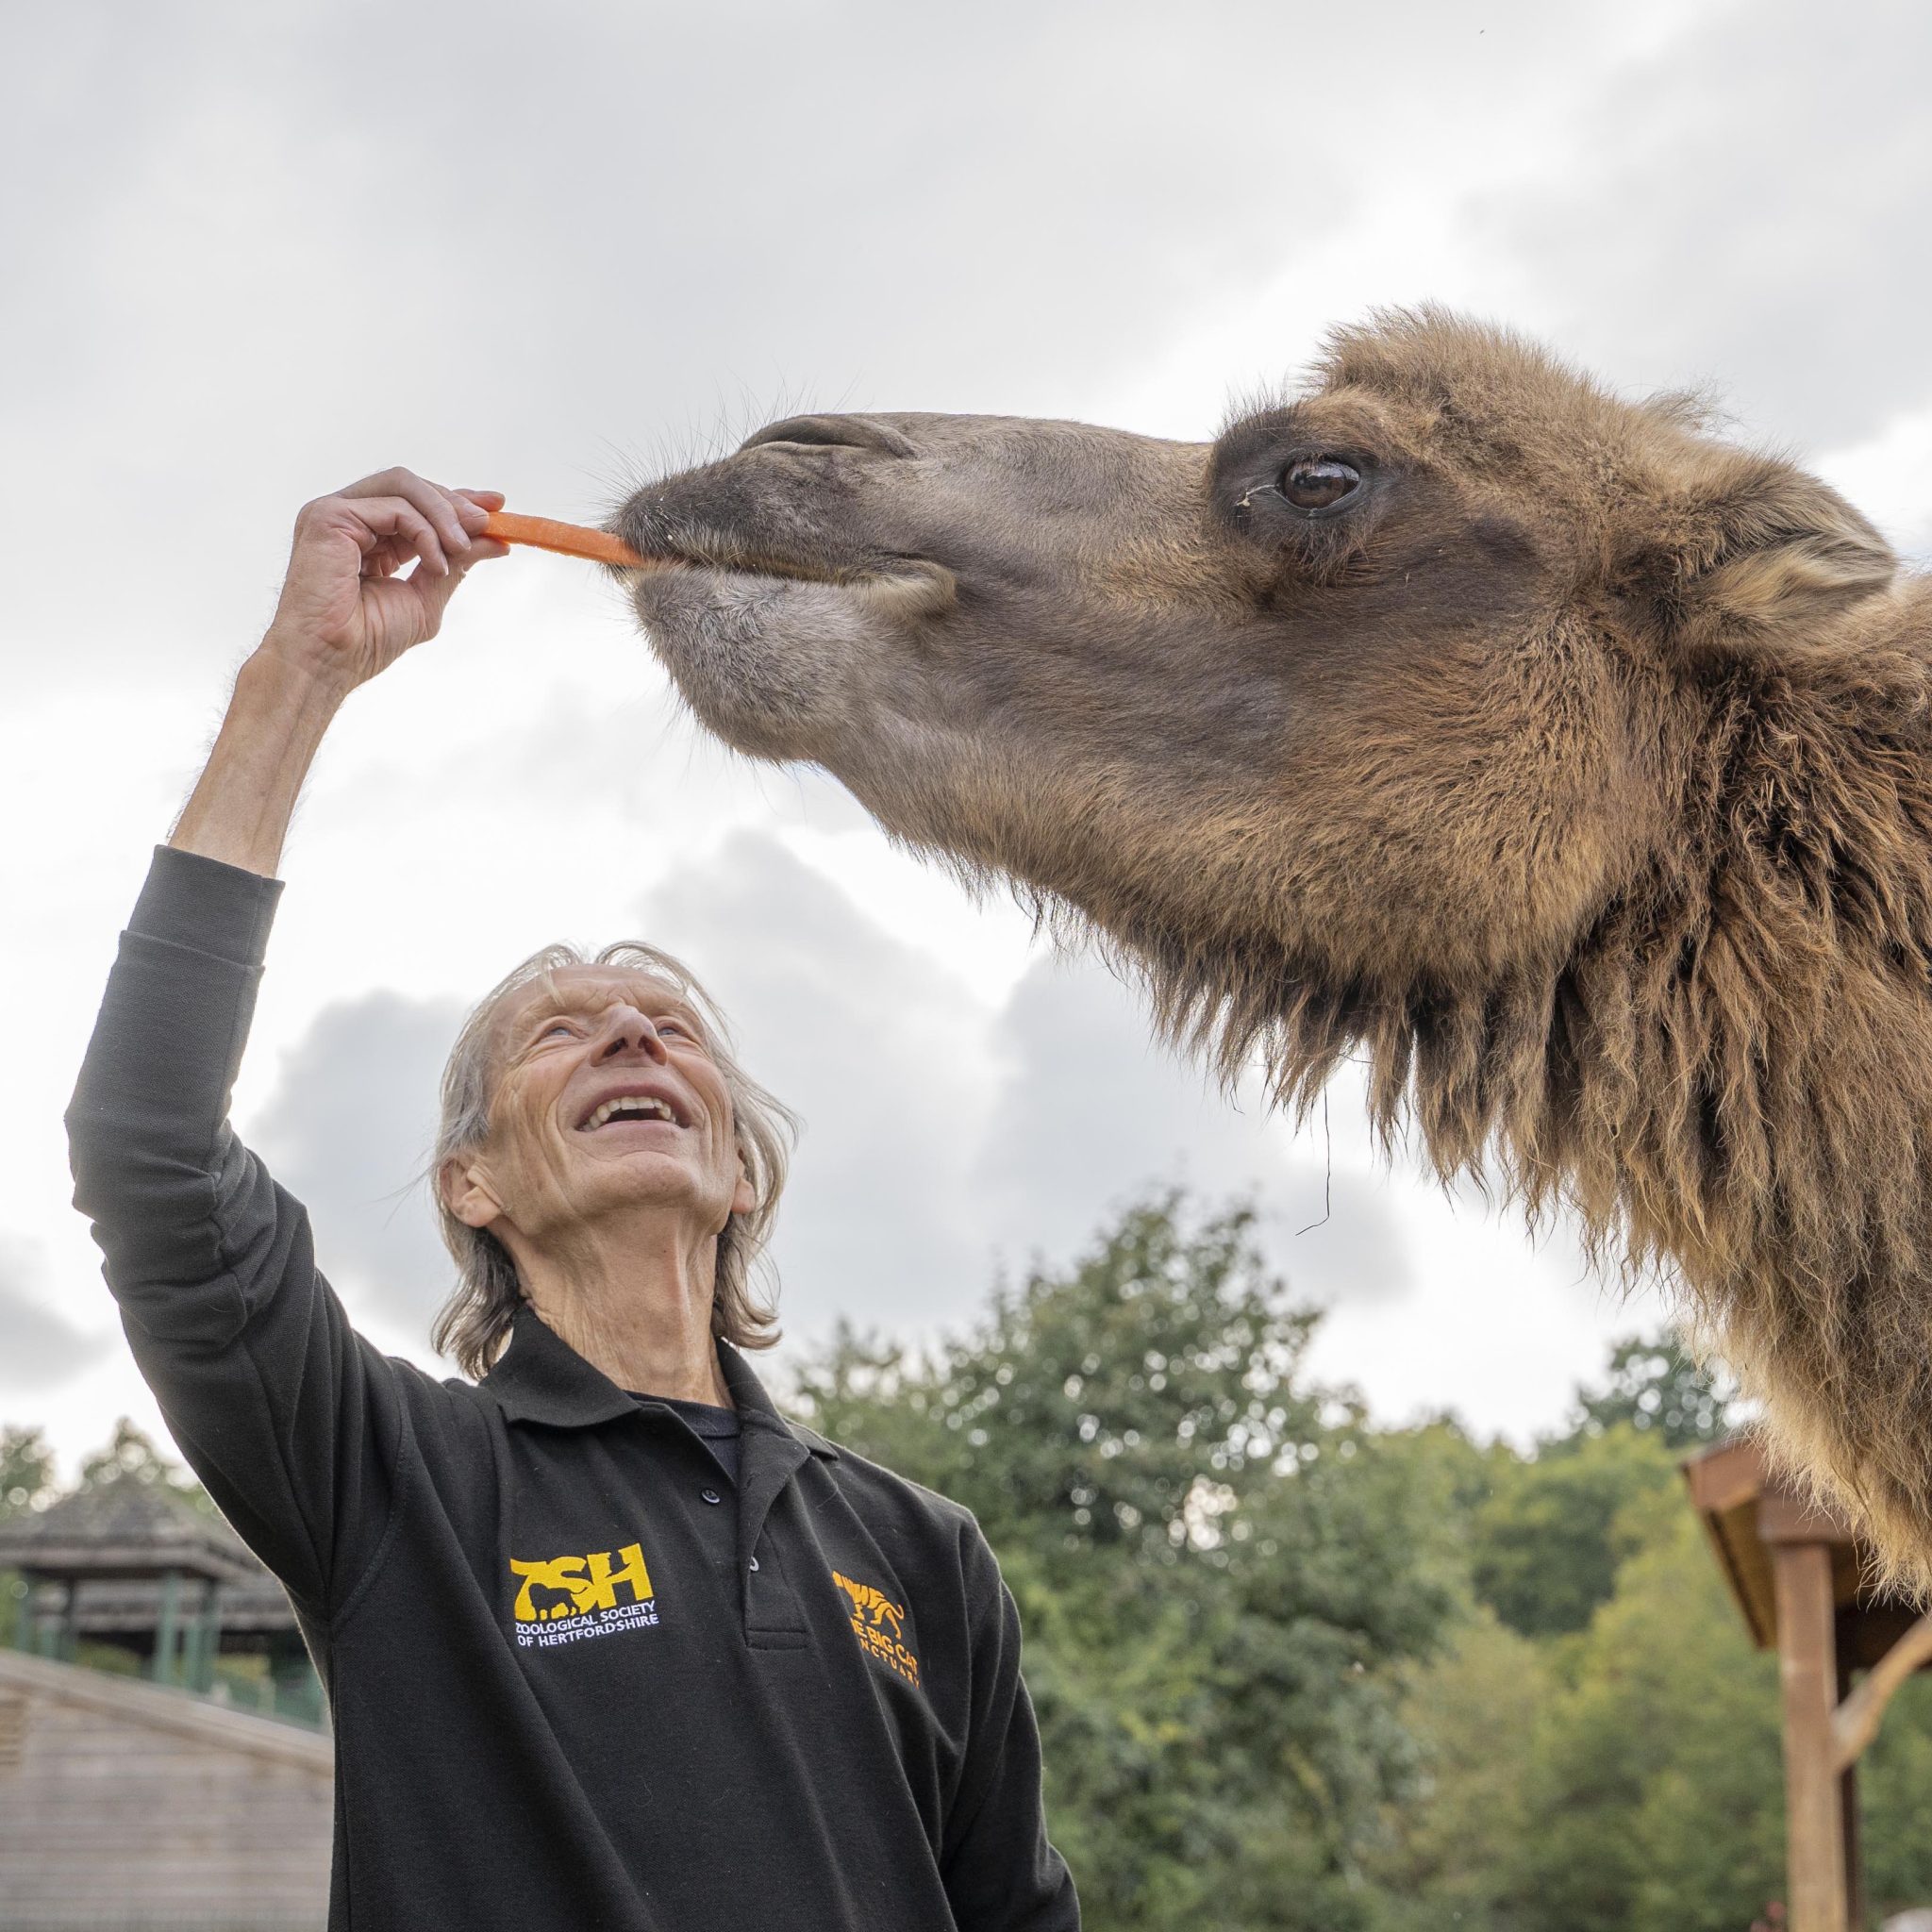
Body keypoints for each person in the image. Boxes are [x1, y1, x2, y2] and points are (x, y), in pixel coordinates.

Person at [67, 470, 1079, 1931]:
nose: (631, 1034)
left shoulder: (922, 1551)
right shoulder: (393, 1483)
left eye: (672, 1027)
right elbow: (147, 1145)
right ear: (472, 1186)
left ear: (737, 1169)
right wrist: (302, 673)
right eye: (561, 1031)